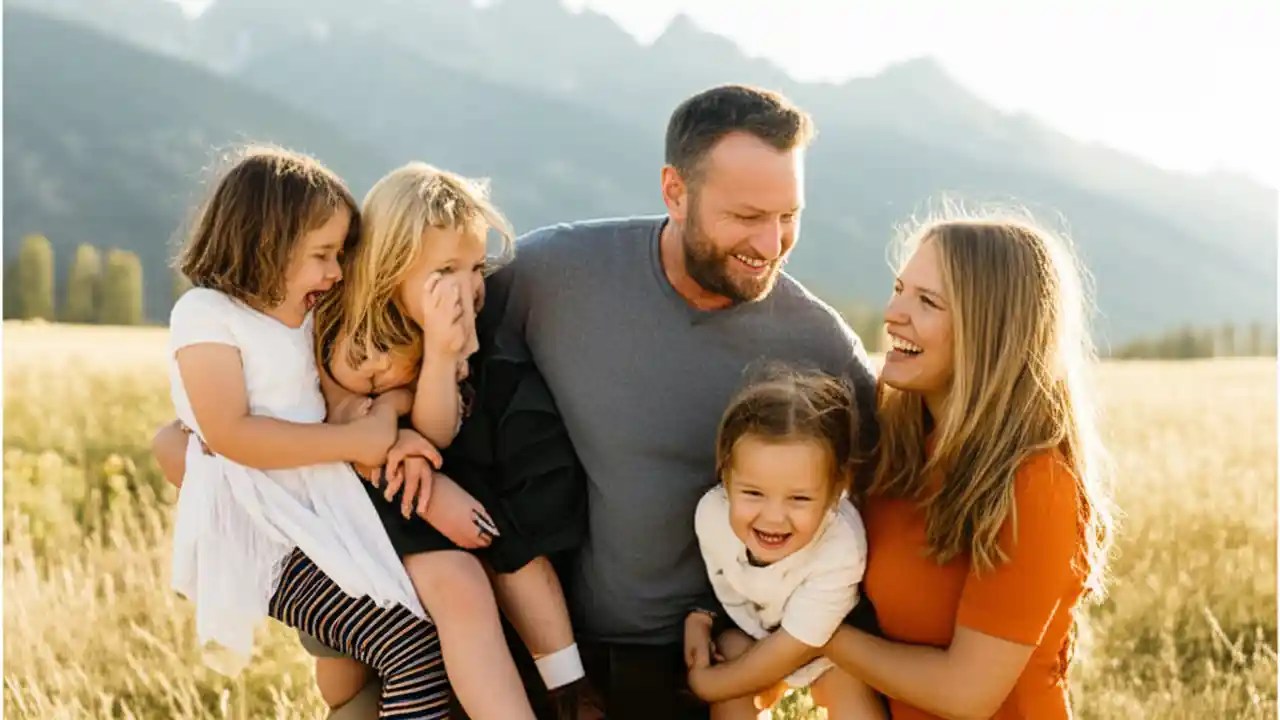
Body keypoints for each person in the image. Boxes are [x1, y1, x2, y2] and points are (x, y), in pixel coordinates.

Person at [480, 83, 880, 719]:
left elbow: (890, 489)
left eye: (789, 217)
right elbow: (416, 335)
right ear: (674, 190)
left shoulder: (820, 343)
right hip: (547, 645)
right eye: (747, 217)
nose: (772, 244)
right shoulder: (552, 275)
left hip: (711, 665)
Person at [163, 145, 451, 718]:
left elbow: (369, 384)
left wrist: (388, 420)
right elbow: (230, 433)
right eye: (322, 254)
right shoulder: (206, 313)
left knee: (395, 647)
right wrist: (355, 442)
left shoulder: (309, 315)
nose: (336, 271)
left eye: (339, 255)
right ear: (264, 241)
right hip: (261, 529)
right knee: (409, 646)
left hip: (325, 514)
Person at [312, 162, 588, 719]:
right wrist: (415, 388)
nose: (468, 287)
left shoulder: (453, 338)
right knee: (366, 662)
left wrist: (442, 355)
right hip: (369, 500)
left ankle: (571, 693)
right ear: (390, 271)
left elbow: (439, 433)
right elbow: (352, 425)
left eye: (476, 266)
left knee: (510, 562)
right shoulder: (358, 340)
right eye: (445, 270)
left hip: (427, 488)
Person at [820, 215, 1115, 719]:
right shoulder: (892, 448)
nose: (892, 313)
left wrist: (813, 633)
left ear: (990, 331)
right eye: (899, 289)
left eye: (927, 302)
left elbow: (966, 695)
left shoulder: (1035, 481)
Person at [685, 367, 885, 719]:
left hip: (829, 643)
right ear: (725, 475)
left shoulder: (840, 547)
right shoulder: (712, 515)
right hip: (757, 629)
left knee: (848, 683)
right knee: (729, 647)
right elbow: (728, 577)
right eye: (753, 493)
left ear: (838, 491)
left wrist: (706, 684)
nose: (774, 517)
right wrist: (702, 615)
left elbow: (795, 646)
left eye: (799, 499)